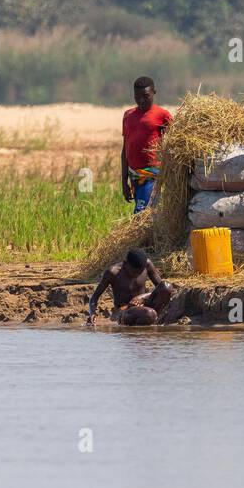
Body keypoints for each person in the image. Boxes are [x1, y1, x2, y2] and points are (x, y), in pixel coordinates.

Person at [86, 248, 180, 326]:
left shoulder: (147, 264)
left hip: (146, 305)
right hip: (125, 311)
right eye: (134, 272)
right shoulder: (113, 272)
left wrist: (141, 298)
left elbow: (160, 288)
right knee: (150, 314)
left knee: (166, 286)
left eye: (140, 272)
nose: (136, 275)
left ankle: (154, 318)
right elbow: (94, 297)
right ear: (125, 264)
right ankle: (149, 320)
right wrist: (92, 313)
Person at [121, 76, 173, 214]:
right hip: (134, 175)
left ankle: (144, 236)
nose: (141, 100)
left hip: (151, 173)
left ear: (154, 93)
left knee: (141, 213)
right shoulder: (128, 115)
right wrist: (123, 181)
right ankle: (154, 235)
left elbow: (174, 142)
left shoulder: (163, 115)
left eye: (146, 96)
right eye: (137, 97)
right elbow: (125, 149)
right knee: (149, 213)